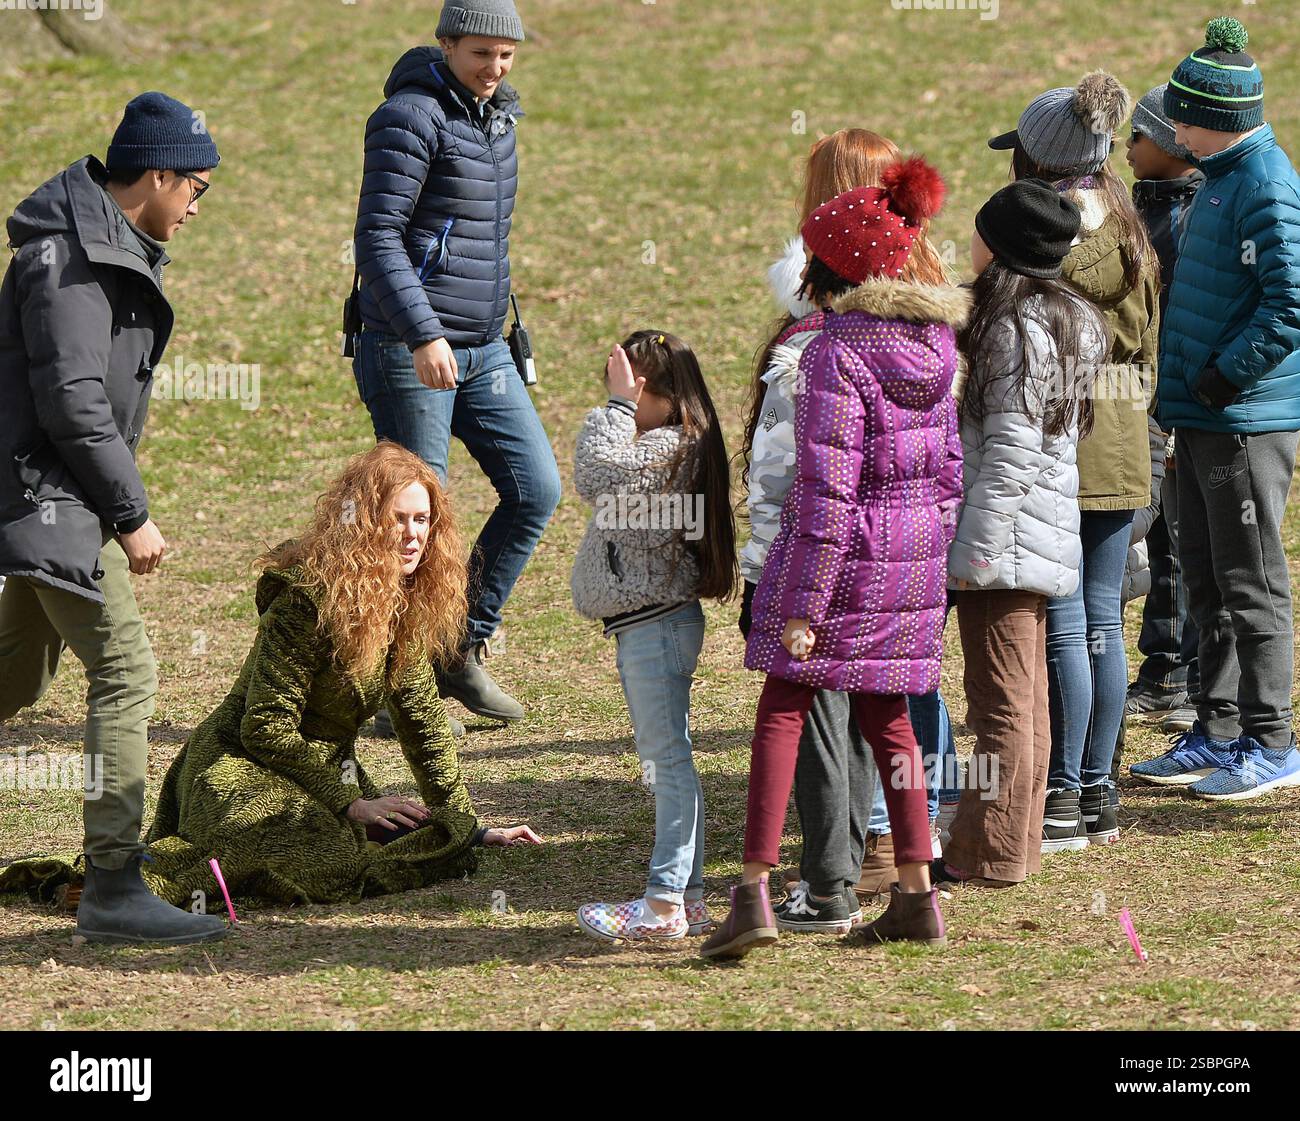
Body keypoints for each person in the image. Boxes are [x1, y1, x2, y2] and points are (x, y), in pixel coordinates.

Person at [703, 159, 966, 959]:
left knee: (783, 710)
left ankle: (750, 892)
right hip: (910, 571)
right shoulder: (938, 349)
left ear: (832, 268)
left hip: (841, 570)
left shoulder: (833, 356)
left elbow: (826, 492)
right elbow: (950, 476)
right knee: (892, 721)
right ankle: (917, 895)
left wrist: (803, 607)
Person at [0, 93, 228, 945]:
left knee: (14, 678)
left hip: (51, 499)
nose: (197, 210)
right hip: (47, 499)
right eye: (196, 190)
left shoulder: (102, 243)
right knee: (125, 668)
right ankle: (112, 883)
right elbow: (73, 399)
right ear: (158, 174)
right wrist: (131, 514)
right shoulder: (66, 257)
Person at [135, 442, 540, 907]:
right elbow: (264, 727)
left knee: (425, 843)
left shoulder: (405, 606)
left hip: (325, 775)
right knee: (323, 860)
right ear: (364, 522)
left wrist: (465, 827)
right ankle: (136, 877)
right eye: (398, 518)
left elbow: (424, 727)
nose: (413, 534)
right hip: (237, 768)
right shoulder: (306, 602)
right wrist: (349, 803)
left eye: (422, 520)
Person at [351, 0, 561, 725]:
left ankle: (456, 649)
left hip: (485, 347)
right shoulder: (410, 118)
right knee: (413, 521)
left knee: (536, 487)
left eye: (507, 55)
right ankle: (395, 684)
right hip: (410, 349)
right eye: (481, 53)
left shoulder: (497, 119)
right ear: (446, 44)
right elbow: (377, 237)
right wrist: (422, 333)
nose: (495, 68)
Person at [989, 70, 1159, 849]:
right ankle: (1098, 795)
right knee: (1102, 623)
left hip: (1073, 442)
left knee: (1066, 626)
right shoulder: (1128, 222)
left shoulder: (1054, 243)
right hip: (1126, 445)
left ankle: (1061, 792)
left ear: (1035, 166)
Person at [1133, 16, 1300, 800]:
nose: (1172, 131)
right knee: (1204, 577)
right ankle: (1218, 725)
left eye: (1182, 117)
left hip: (1242, 422)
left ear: (1215, 120)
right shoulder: (1221, 176)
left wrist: (1221, 380)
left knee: (1252, 581)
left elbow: (1291, 302)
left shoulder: (1265, 182)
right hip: (1200, 421)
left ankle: (1272, 740)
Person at [939, 180, 1108, 888]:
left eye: (980, 232)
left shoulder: (1013, 329)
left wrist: (972, 553)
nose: (968, 242)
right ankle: (1015, 843)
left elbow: (1009, 454)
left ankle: (993, 853)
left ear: (1002, 247)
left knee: (1001, 703)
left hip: (1005, 548)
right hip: (1038, 539)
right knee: (1026, 702)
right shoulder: (1070, 317)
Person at [572, 333, 736, 943]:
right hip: (653, 625)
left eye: (637, 388)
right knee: (670, 762)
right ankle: (685, 900)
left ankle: (664, 903)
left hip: (655, 627)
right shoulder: (678, 446)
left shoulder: (670, 447)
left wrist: (616, 408)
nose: (624, 398)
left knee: (667, 765)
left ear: (666, 397)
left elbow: (594, 475)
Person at [1121, 85, 1204, 741]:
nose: (1127, 145)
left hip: (1168, 409)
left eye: (1139, 136)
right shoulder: (1149, 206)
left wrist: (1170, 414)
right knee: (1164, 540)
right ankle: (1167, 671)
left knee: (1174, 544)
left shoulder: (1179, 224)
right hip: (1148, 408)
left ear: (1173, 148)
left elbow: (1173, 324)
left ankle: (1176, 678)